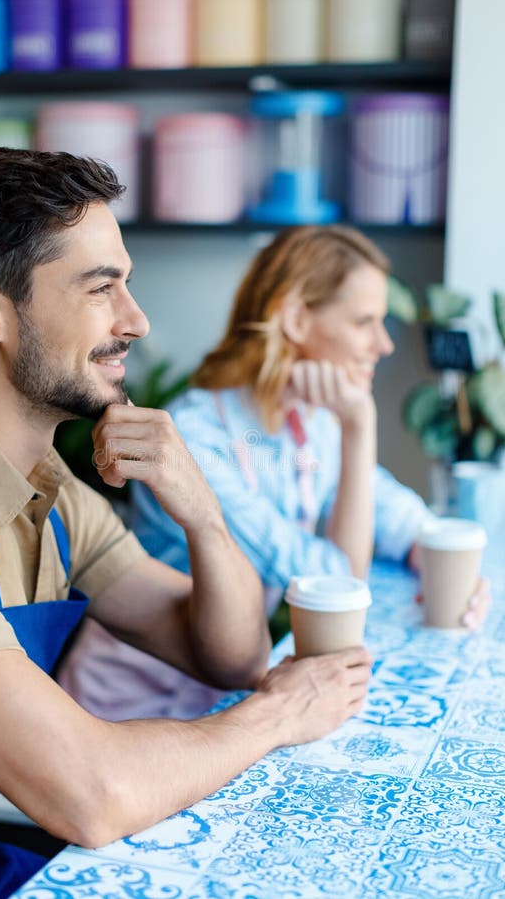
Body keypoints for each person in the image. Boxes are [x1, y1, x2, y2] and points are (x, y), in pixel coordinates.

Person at [0, 150, 372, 899]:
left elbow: (226, 655)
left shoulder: (49, 492)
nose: (137, 320)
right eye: (102, 288)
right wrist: (279, 715)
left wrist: (203, 514)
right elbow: (90, 795)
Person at [58, 225, 490, 722]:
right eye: (365, 322)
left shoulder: (310, 422)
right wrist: (360, 425)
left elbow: (395, 515)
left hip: (217, 702)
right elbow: (335, 581)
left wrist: (439, 561)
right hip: (126, 713)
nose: (383, 344)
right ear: (296, 320)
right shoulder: (198, 438)